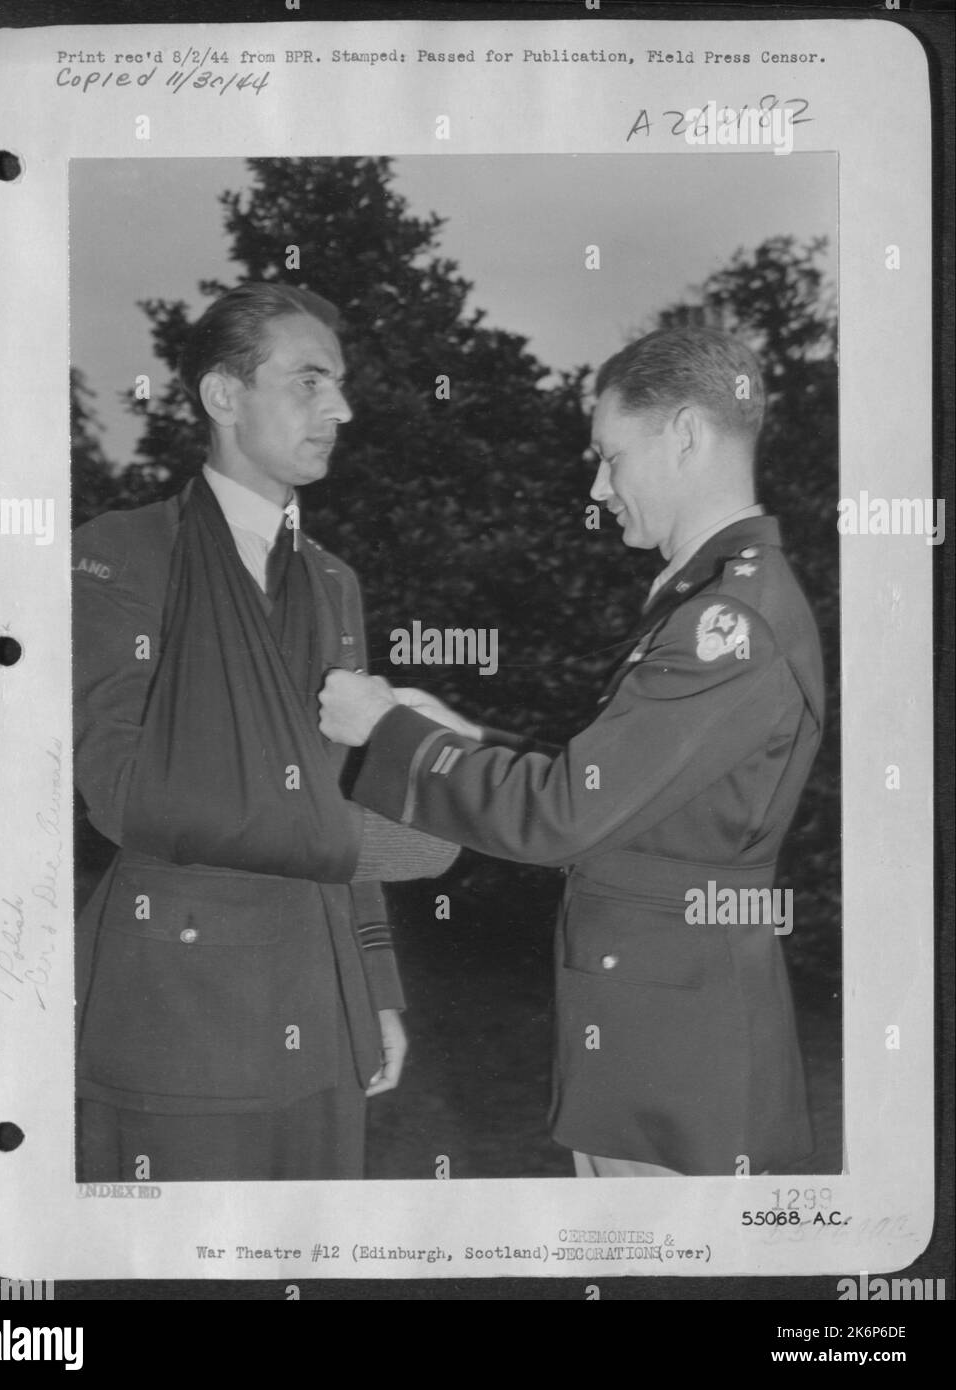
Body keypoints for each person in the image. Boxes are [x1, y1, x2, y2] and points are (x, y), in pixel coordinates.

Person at [319, 326, 825, 1178]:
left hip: (673, 1060)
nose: (600, 486)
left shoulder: (723, 626)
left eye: (610, 456)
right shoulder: (716, 604)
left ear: (688, 436)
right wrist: (466, 738)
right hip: (660, 1031)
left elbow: (565, 816)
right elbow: (628, 788)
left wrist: (388, 733)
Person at [73, 282, 456, 1182]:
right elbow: (130, 797)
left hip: (321, 1002)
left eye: (341, 384)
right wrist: (403, 844)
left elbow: (336, 783)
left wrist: (376, 991)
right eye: (310, 381)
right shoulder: (121, 555)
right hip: (181, 1004)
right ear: (222, 396)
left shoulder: (332, 581)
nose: (342, 408)